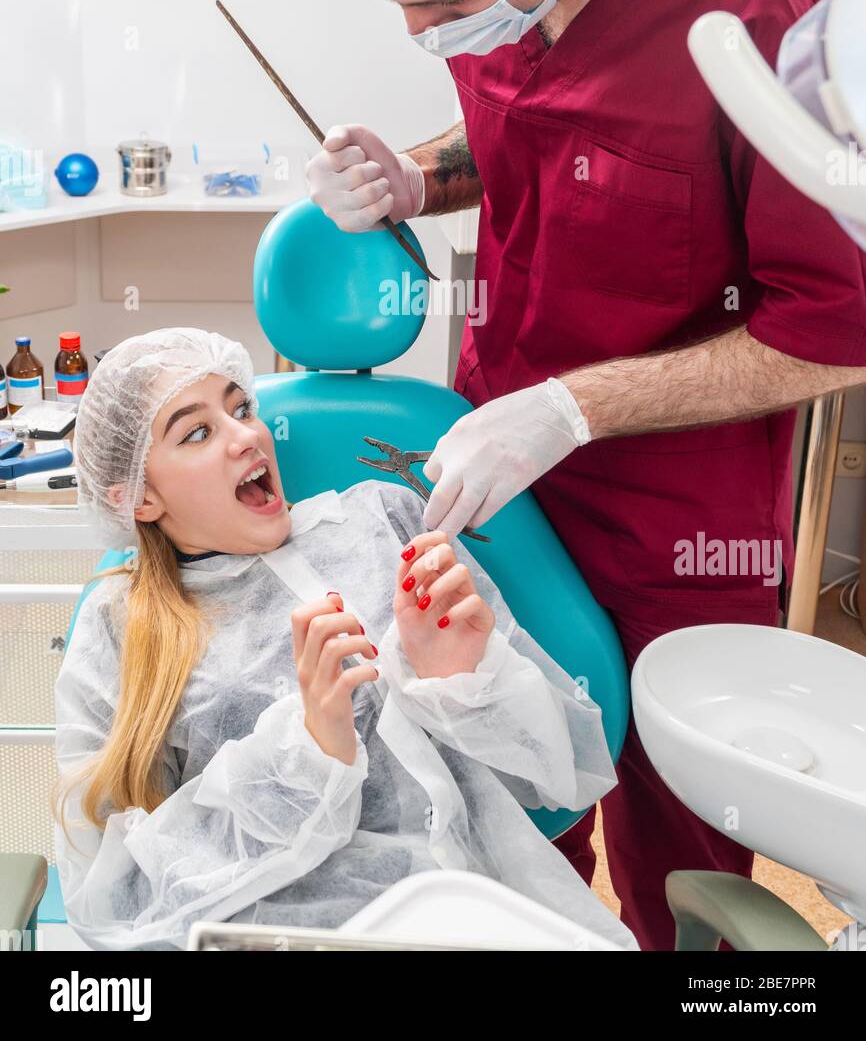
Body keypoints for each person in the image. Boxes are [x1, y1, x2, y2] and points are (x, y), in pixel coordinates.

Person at [308, 0, 866, 949]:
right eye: (393, 2)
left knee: (678, 849)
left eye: (443, 5)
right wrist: (416, 179)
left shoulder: (768, 20)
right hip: (491, 486)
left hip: (679, 525)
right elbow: (526, 148)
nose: (420, 31)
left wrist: (574, 407)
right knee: (498, 793)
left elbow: (838, 332)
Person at [53, 327, 637, 952]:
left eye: (241, 408)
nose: (248, 436)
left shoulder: (386, 522)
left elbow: (559, 773)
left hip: (471, 912)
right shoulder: (120, 626)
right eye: (197, 432)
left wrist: (462, 680)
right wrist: (307, 755)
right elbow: (110, 901)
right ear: (138, 497)